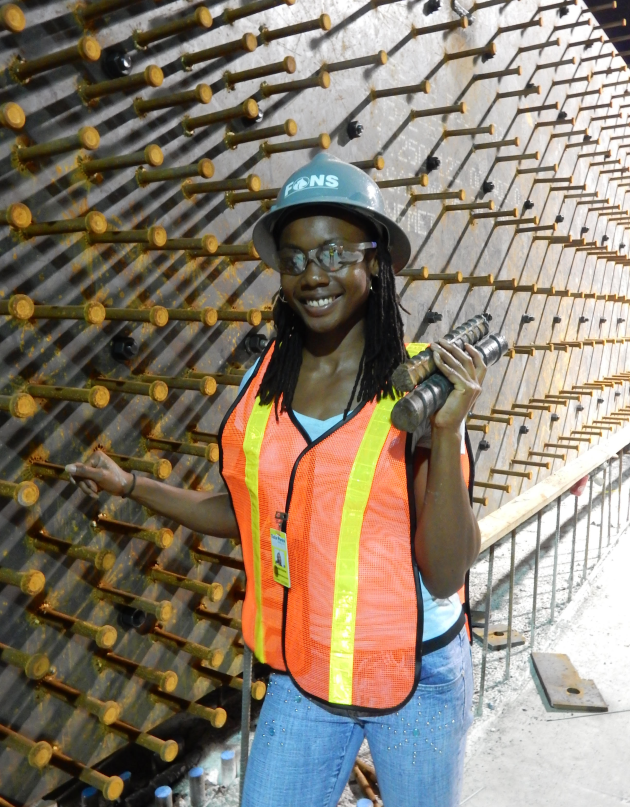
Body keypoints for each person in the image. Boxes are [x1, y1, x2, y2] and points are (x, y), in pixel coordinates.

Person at [67, 152, 486, 807]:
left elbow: (443, 571)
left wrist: (450, 431)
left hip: (417, 669)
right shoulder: (261, 383)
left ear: (373, 261)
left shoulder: (420, 387)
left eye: (333, 254)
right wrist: (130, 488)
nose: (311, 275)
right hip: (306, 667)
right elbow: (244, 513)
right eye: (294, 258)